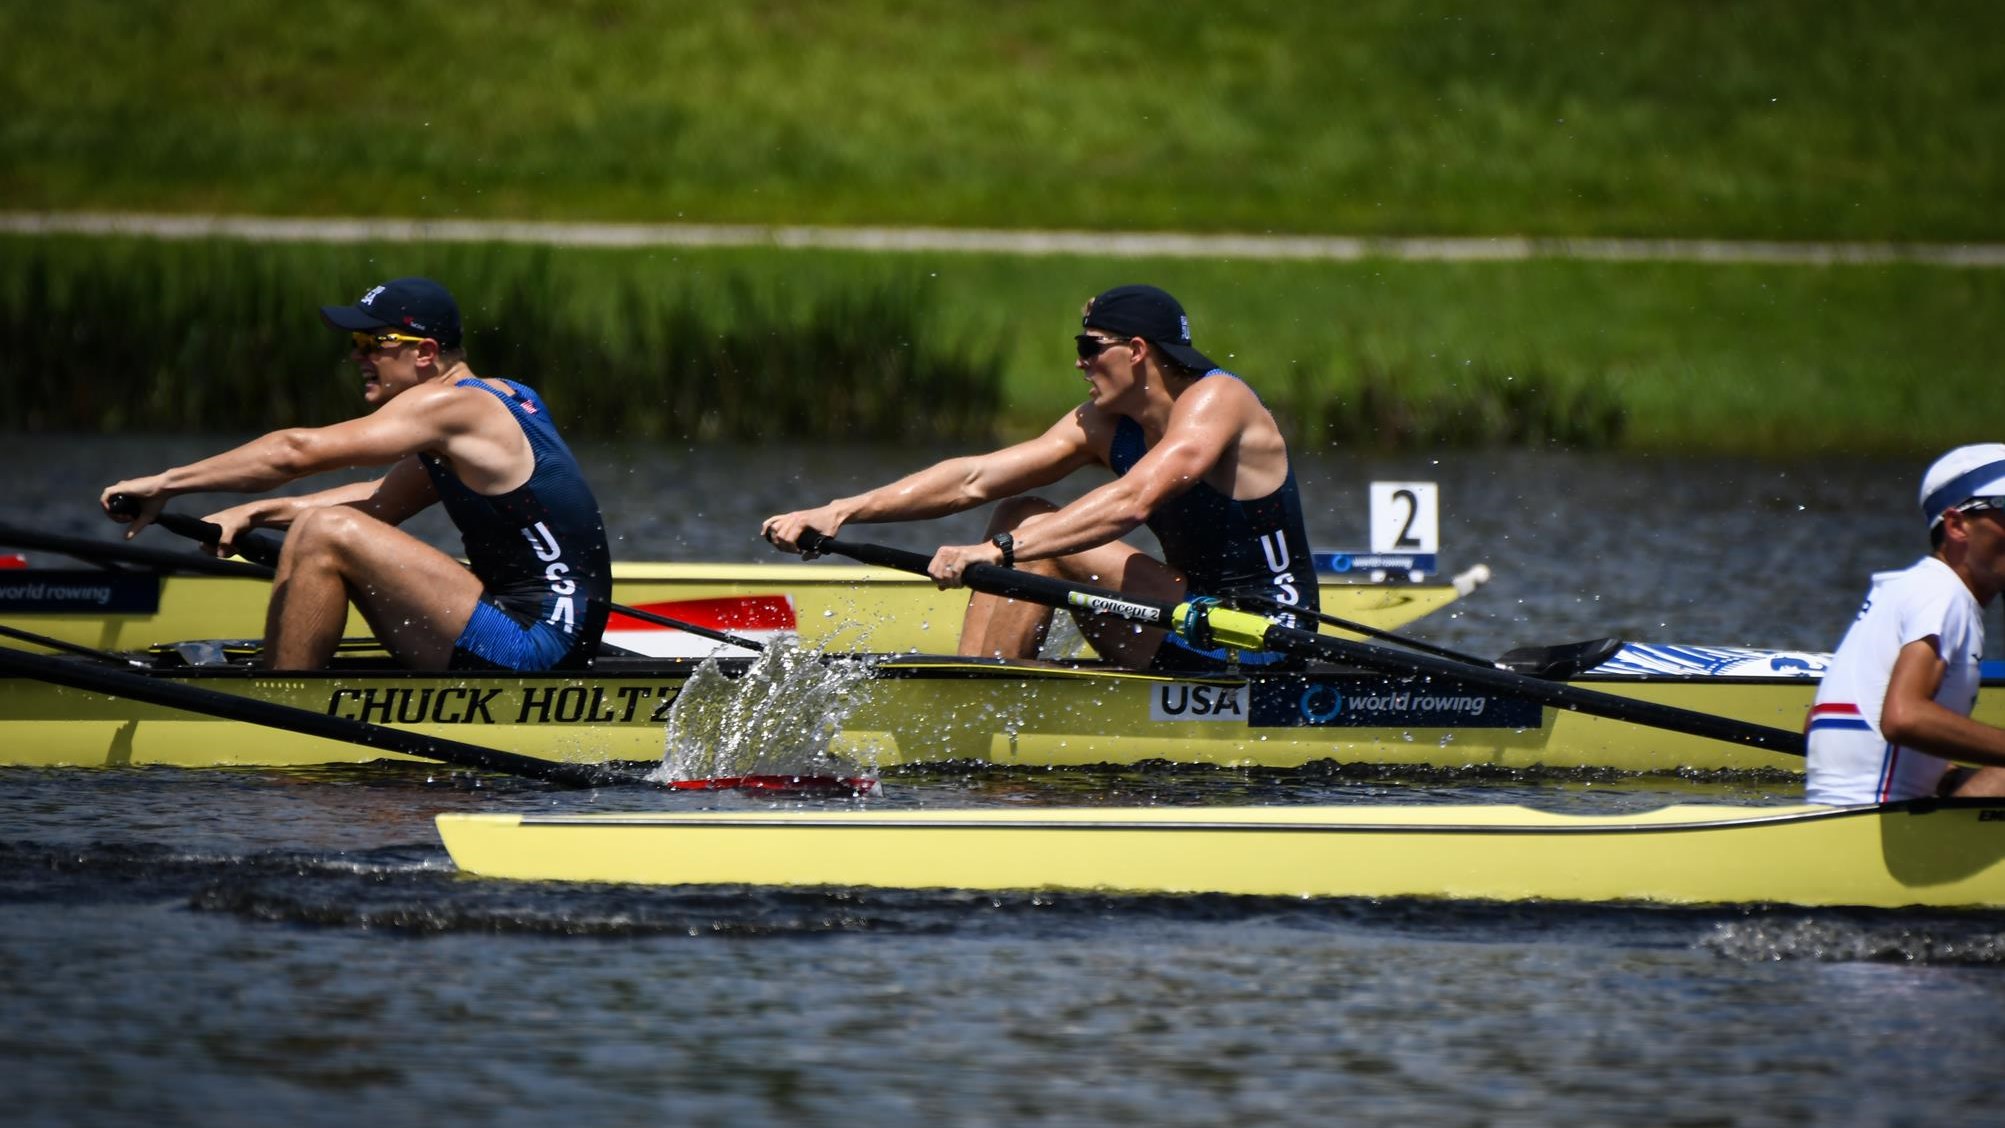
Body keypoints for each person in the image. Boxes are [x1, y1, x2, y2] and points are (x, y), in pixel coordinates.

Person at [761, 284, 1318, 670]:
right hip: (1178, 617)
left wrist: (1000, 553)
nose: (1079, 363)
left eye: (1089, 347)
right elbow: (974, 478)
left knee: (1023, 534)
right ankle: (977, 680)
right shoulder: (1107, 424)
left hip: (1260, 636)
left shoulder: (1219, 400)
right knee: (1016, 512)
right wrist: (839, 510)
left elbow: (1131, 501)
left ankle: (986, 703)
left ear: (1138, 351)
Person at [99, 277, 612, 672]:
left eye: (373, 342)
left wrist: (165, 483)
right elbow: (379, 500)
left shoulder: (454, 409)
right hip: (538, 626)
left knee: (323, 532)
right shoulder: (503, 396)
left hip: (534, 647)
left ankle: (280, 706)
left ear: (425, 353)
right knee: (323, 525)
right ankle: (284, 680)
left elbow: (296, 452)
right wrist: (252, 513)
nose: (357, 355)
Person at [1805, 444, 2005, 804]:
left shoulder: (1907, 588)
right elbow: (1904, 717)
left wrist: (1935, 768)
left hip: (1848, 811)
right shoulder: (1944, 596)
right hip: (1873, 824)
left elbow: (1813, 726)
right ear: (1958, 525)